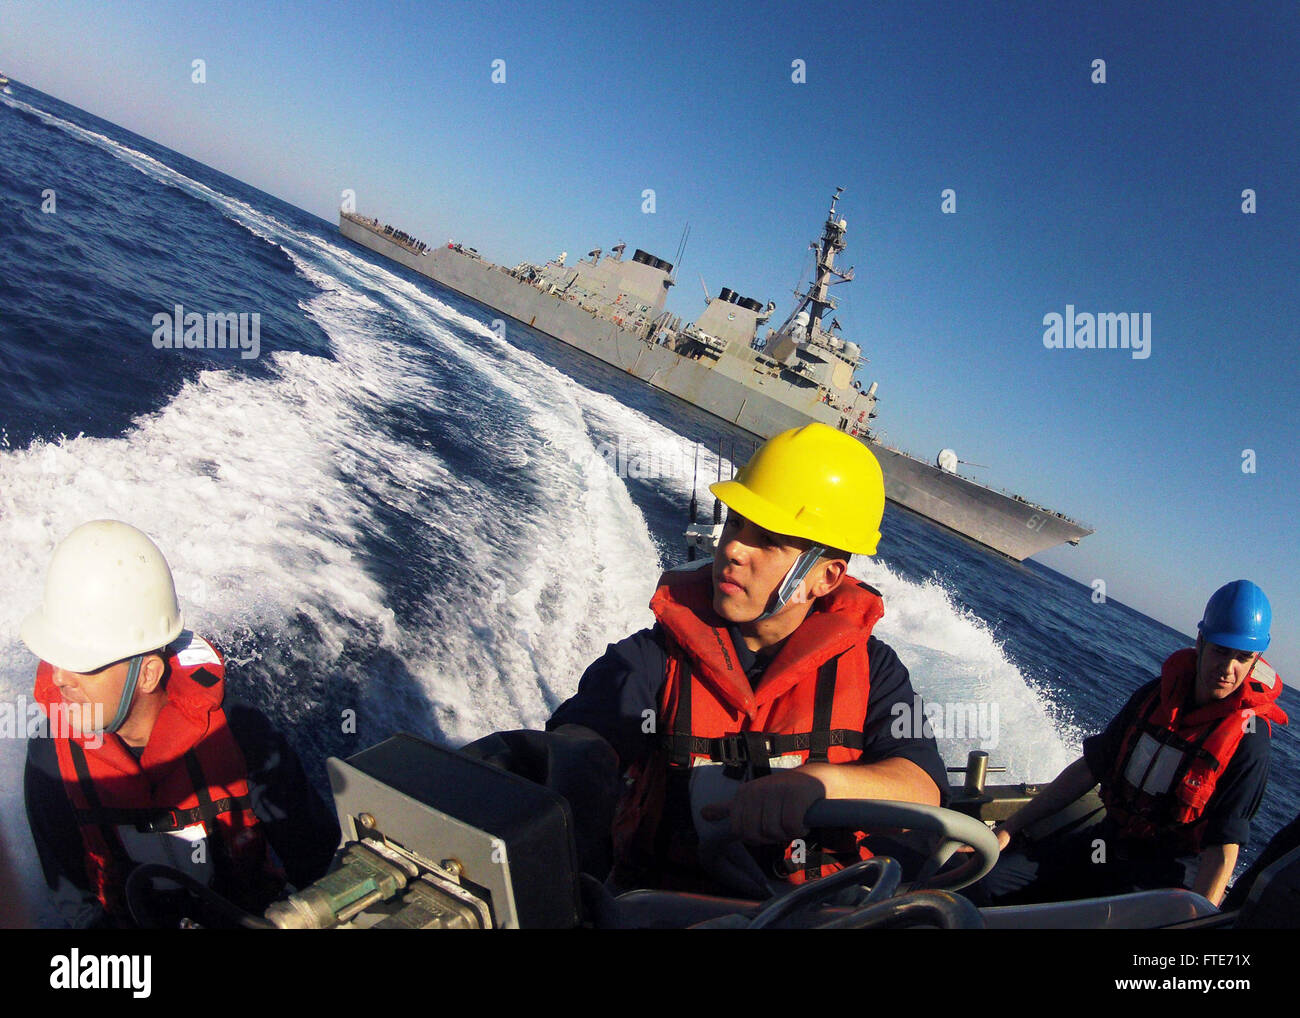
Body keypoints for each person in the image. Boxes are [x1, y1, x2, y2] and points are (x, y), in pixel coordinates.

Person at [544, 422, 948, 894]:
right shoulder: (657, 655)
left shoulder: (874, 671)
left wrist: (816, 784)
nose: (732, 548)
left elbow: (921, 786)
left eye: (769, 540)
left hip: (816, 914)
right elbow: (585, 739)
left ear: (826, 577)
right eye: (735, 523)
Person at [22, 520, 340, 928]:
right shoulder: (51, 760)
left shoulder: (239, 736)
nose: (60, 678)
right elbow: (76, 905)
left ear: (149, 674)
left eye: (83, 664)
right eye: (56, 657)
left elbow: (318, 865)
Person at [977, 580, 1285, 908]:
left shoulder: (1250, 740)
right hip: (1105, 845)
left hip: (1161, 878)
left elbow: (1222, 849)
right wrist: (1010, 828)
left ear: (1256, 660)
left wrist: (1195, 924)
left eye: (1242, 657)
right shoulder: (1156, 696)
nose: (1228, 668)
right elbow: (1090, 767)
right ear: (1201, 642)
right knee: (986, 886)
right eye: (1221, 651)